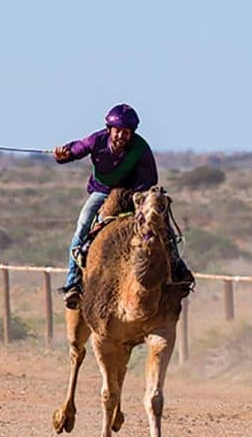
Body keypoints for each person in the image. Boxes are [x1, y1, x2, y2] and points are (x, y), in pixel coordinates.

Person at [54, 103, 191, 309]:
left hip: (134, 193)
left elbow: (150, 179)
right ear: (109, 130)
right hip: (102, 192)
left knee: (157, 222)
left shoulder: (140, 149)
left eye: (126, 133)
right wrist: (63, 154)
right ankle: (73, 283)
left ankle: (178, 268)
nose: (121, 136)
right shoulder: (97, 140)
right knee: (83, 225)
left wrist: (133, 196)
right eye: (118, 131)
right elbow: (77, 149)